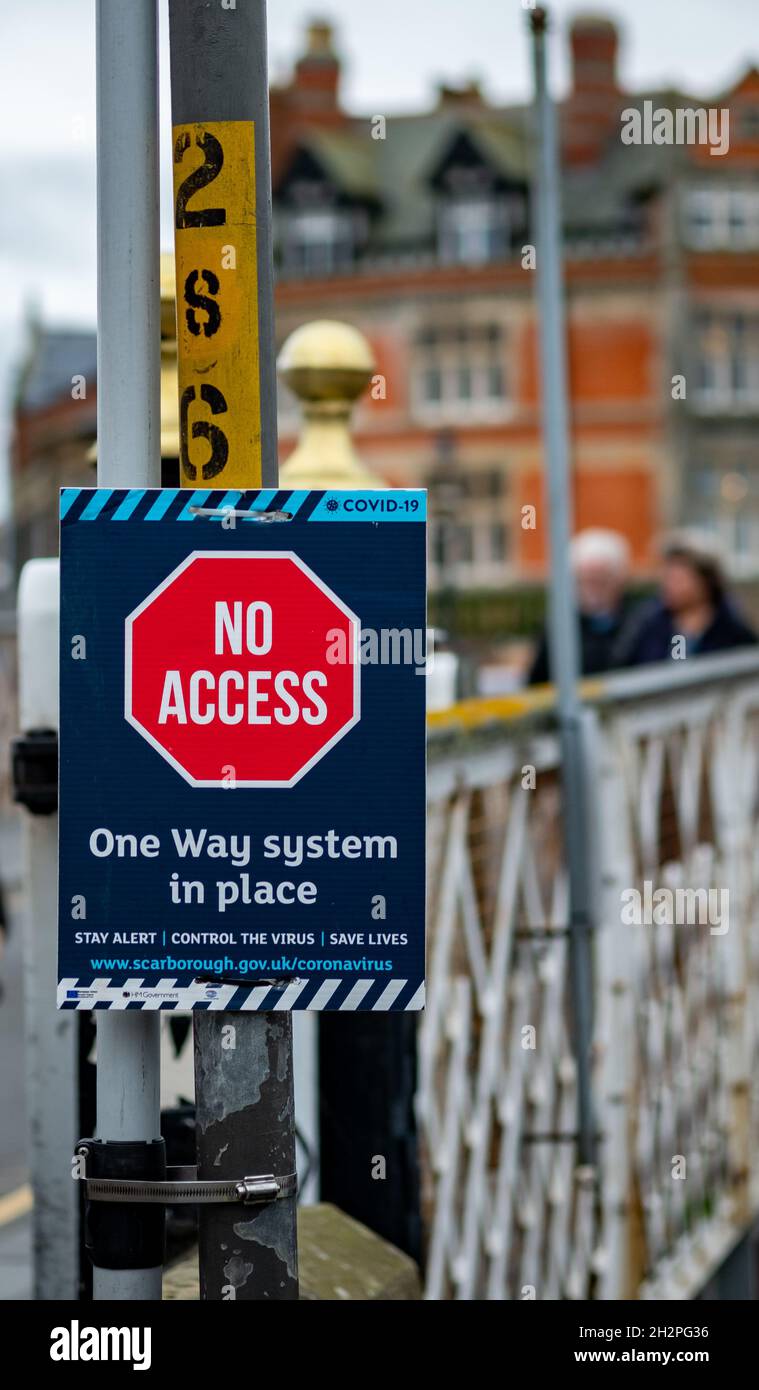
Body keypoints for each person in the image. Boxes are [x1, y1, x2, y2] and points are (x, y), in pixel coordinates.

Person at [613, 531, 757, 667]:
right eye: (666, 578)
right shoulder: (650, 623)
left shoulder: (730, 627)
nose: (669, 586)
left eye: (679, 579)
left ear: (706, 582)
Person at [527, 528, 632, 685]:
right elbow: (537, 680)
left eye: (599, 580)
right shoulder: (559, 627)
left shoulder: (637, 622)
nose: (591, 589)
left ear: (618, 579)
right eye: (583, 580)